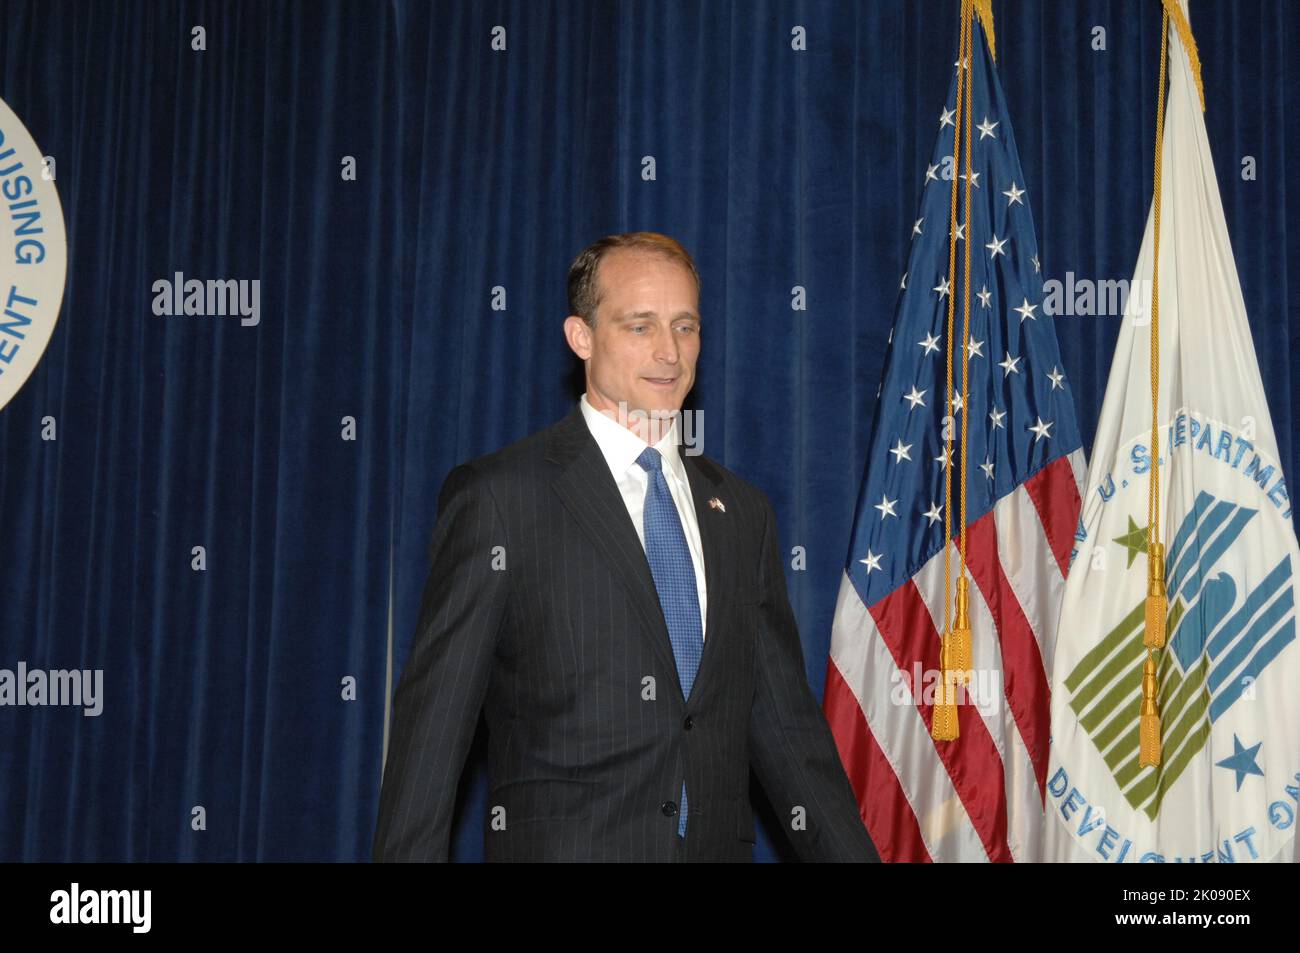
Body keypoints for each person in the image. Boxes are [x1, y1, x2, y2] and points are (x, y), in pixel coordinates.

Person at [372, 232, 878, 862]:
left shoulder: (742, 512)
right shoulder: (502, 499)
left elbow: (785, 732)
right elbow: (432, 733)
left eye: (685, 326)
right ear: (581, 337)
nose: (669, 352)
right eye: (641, 327)